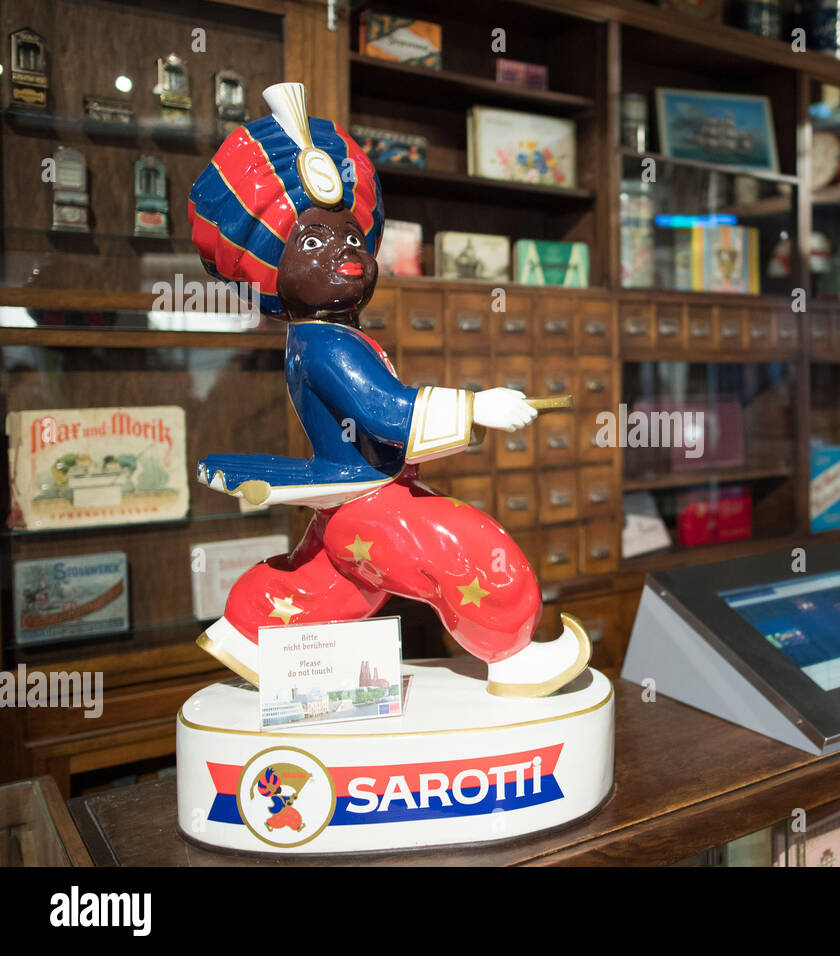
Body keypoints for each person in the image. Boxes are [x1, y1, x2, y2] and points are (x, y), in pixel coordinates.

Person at [189, 82, 589, 697]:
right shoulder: (327, 344)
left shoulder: (320, 338)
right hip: (372, 502)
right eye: (314, 243)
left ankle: (250, 630)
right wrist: (476, 405)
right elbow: (385, 412)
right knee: (470, 552)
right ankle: (510, 656)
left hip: (351, 505)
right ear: (272, 267)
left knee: (333, 585)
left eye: (351, 238)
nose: (344, 252)